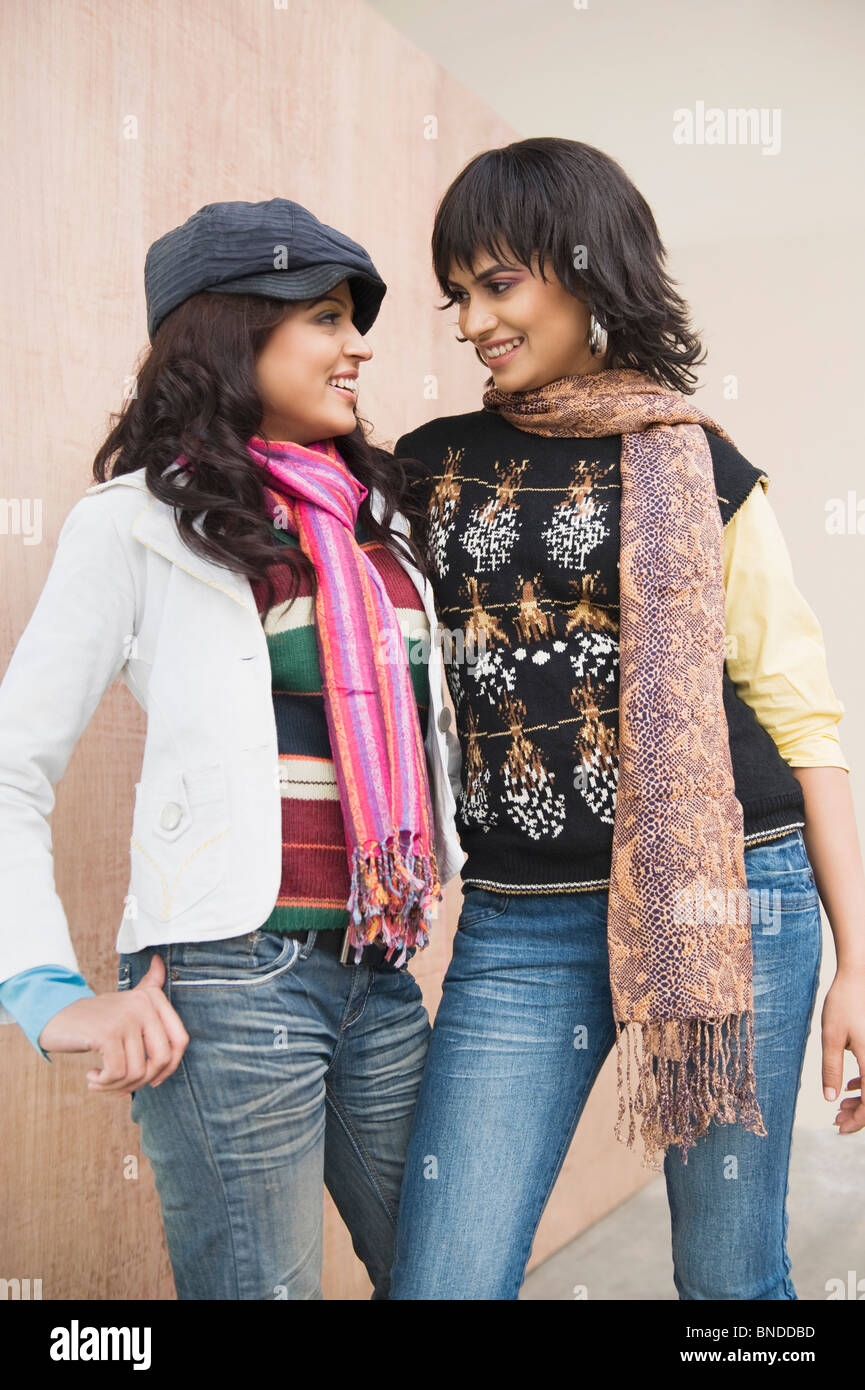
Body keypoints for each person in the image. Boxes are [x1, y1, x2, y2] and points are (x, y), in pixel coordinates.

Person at [388, 138, 865, 1300]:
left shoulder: (702, 465)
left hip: (731, 898)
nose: (470, 323)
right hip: (519, 923)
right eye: (457, 294)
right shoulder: (426, 471)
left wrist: (861, 959)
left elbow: (802, 719)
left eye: (498, 284)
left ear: (585, 273)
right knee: (443, 1280)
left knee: (730, 1283)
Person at [0, 197, 466, 1300]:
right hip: (225, 985)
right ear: (226, 333)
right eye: (323, 316)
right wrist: (41, 989)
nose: (359, 346)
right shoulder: (134, 523)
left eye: (355, 319)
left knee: (454, 1273)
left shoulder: (382, 527)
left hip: (381, 971)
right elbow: (13, 763)